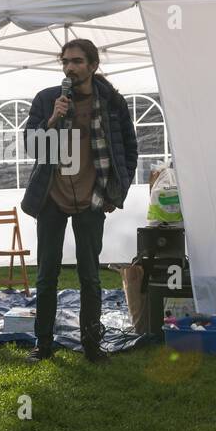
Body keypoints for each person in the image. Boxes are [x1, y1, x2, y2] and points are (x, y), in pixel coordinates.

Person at [22, 38, 138, 364]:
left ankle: (91, 343)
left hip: (93, 199)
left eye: (76, 61)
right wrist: (52, 121)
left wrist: (117, 192)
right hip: (51, 197)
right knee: (47, 274)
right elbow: (32, 146)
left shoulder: (112, 102)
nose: (69, 67)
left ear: (92, 65)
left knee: (90, 276)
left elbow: (129, 151)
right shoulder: (48, 100)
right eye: (65, 62)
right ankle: (42, 344)